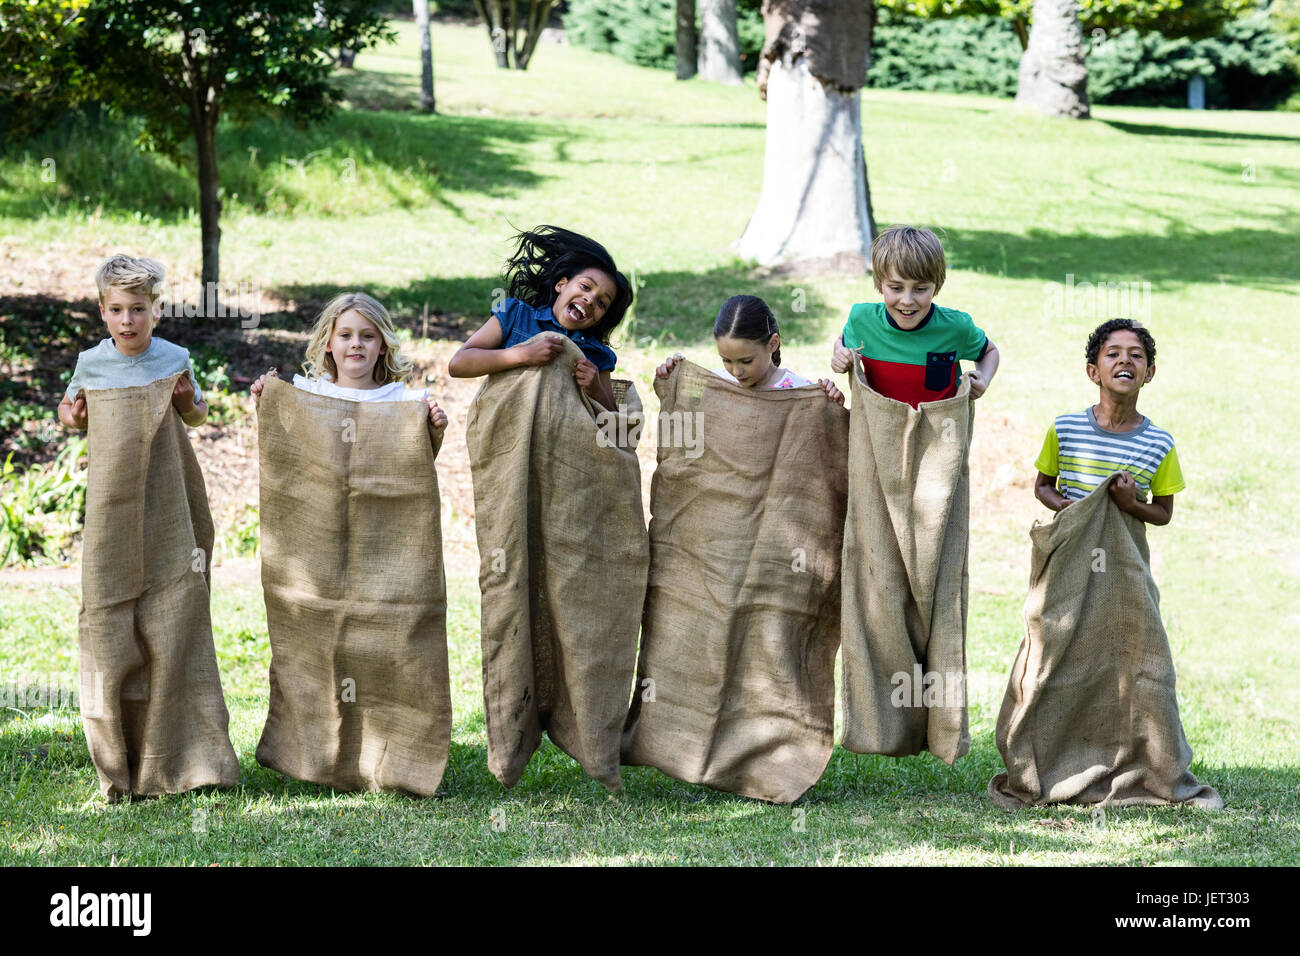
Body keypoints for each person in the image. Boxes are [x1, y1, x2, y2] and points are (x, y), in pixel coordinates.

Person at [448, 225, 634, 412]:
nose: (590, 299)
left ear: (600, 319)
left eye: (602, 303)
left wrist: (596, 390)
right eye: (586, 287)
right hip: (503, 434)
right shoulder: (515, 315)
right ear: (561, 284)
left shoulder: (597, 355)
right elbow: (458, 364)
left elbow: (613, 425)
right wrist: (523, 354)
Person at [830, 225, 999, 408]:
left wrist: (984, 379)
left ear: (936, 286)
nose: (907, 300)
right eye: (896, 288)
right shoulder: (862, 319)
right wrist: (840, 355)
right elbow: (842, 342)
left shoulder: (956, 327)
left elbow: (989, 352)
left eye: (920, 289)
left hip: (939, 431)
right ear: (880, 284)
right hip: (879, 429)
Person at [1033, 317, 1181, 523]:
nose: (1125, 360)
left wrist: (1131, 505)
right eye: (1113, 354)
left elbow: (1164, 514)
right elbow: (1042, 486)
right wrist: (1063, 505)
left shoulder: (1159, 444)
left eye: (1136, 355)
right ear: (1093, 372)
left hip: (1124, 554)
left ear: (1149, 373)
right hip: (1069, 550)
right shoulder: (1065, 429)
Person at [251, 291, 447, 430]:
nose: (356, 344)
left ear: (383, 345)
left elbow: (414, 457)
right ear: (328, 343)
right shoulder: (310, 395)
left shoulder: (401, 402)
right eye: (345, 335)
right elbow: (286, 441)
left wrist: (433, 426)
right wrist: (265, 401)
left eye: (368, 336)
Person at [58, 253, 206, 430]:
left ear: (156, 310)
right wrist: (75, 419)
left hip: (163, 457)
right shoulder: (91, 362)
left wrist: (188, 407)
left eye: (137, 309)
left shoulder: (175, 359)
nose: (126, 320)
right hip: (109, 458)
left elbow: (199, 416)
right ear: (103, 311)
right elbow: (64, 406)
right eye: (116, 309)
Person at [655, 294, 844, 404]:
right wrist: (671, 379)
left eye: (746, 361)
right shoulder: (715, 384)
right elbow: (680, 408)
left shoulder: (799, 391)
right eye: (726, 360)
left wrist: (830, 405)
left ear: (772, 343)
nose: (736, 371)